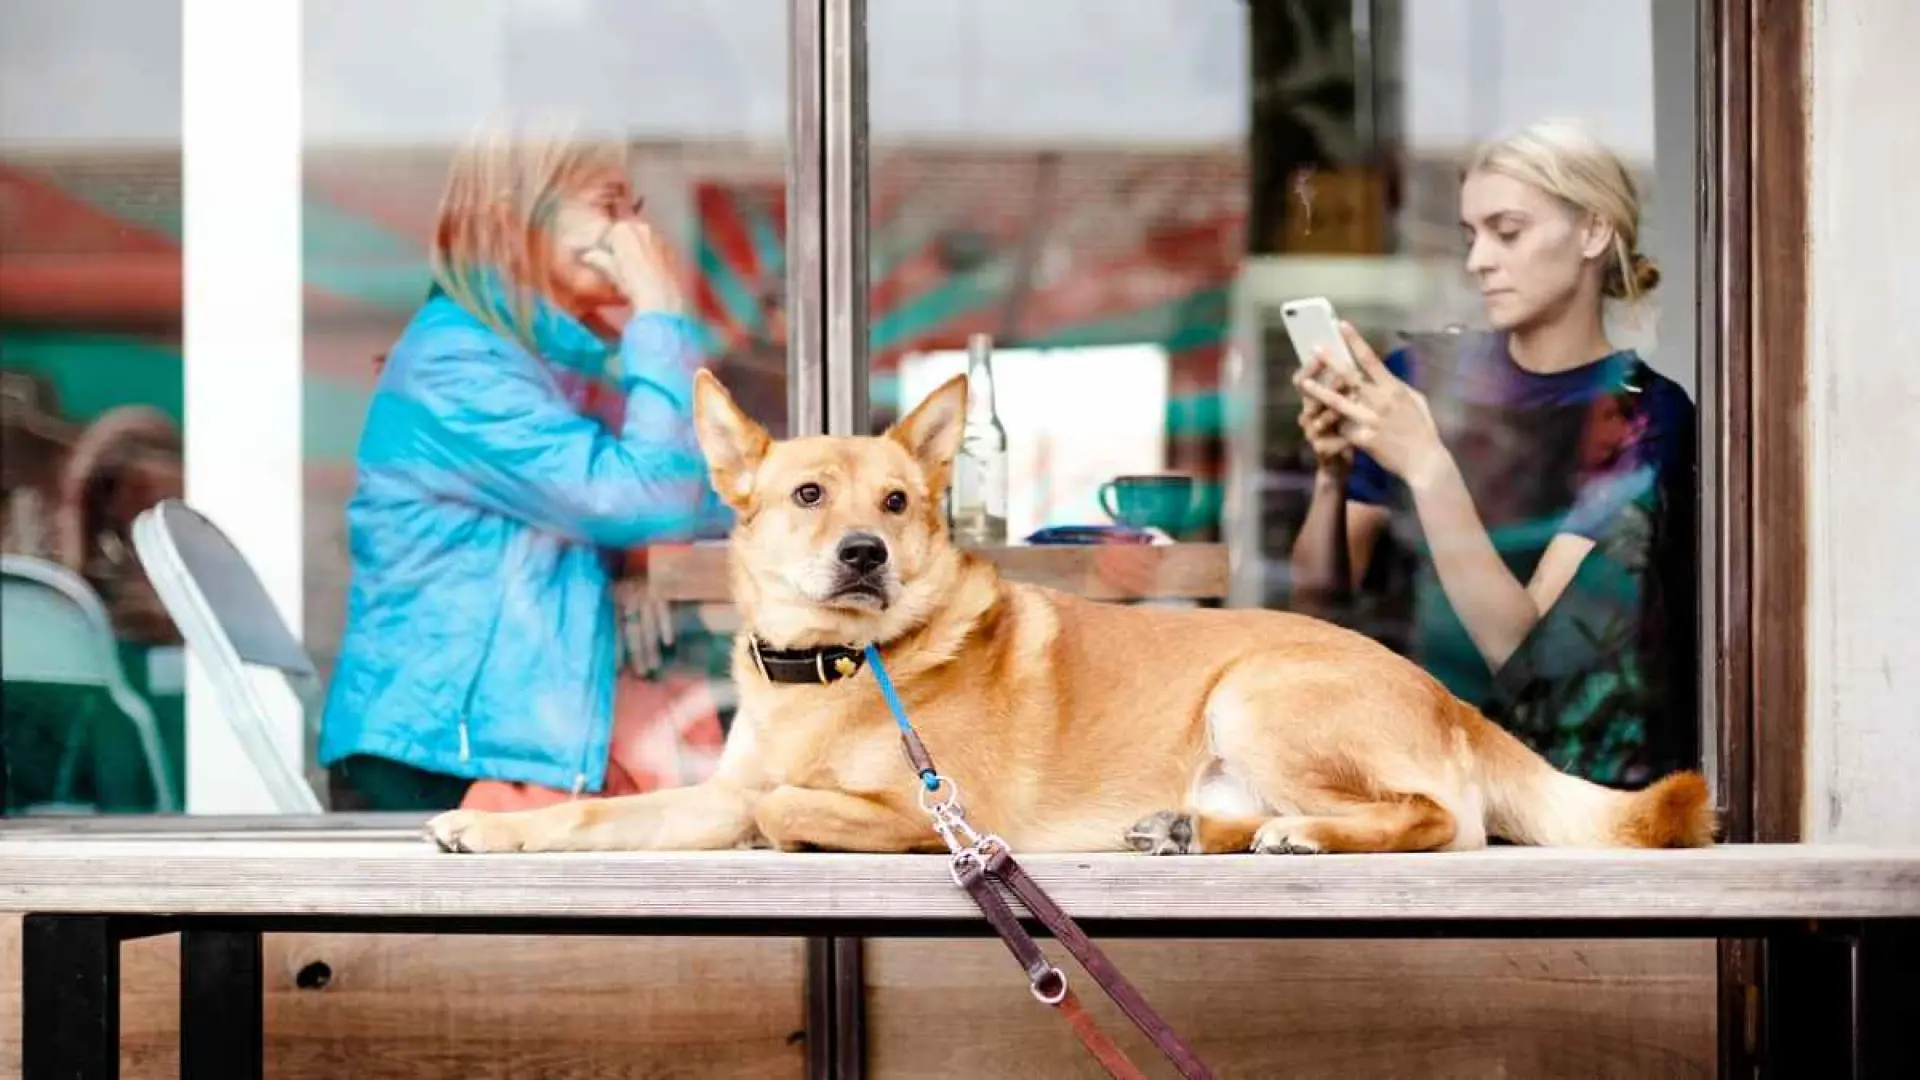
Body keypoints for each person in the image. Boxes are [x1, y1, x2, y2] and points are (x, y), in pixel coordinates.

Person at [318, 128, 730, 811]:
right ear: (518, 215)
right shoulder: (460, 364)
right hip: (440, 767)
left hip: (496, 754)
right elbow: (644, 499)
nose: (634, 231)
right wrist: (659, 316)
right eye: (610, 205)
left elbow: (689, 497)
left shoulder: (544, 365)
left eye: (636, 206)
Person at [1288, 119, 1697, 787]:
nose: (1479, 260)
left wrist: (1427, 466)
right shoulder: (1418, 378)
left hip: (1567, 786)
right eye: (1471, 236)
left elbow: (1522, 649)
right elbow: (1318, 598)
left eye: (1507, 232)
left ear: (1594, 232)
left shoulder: (1642, 415)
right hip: (1411, 768)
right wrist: (1333, 474)